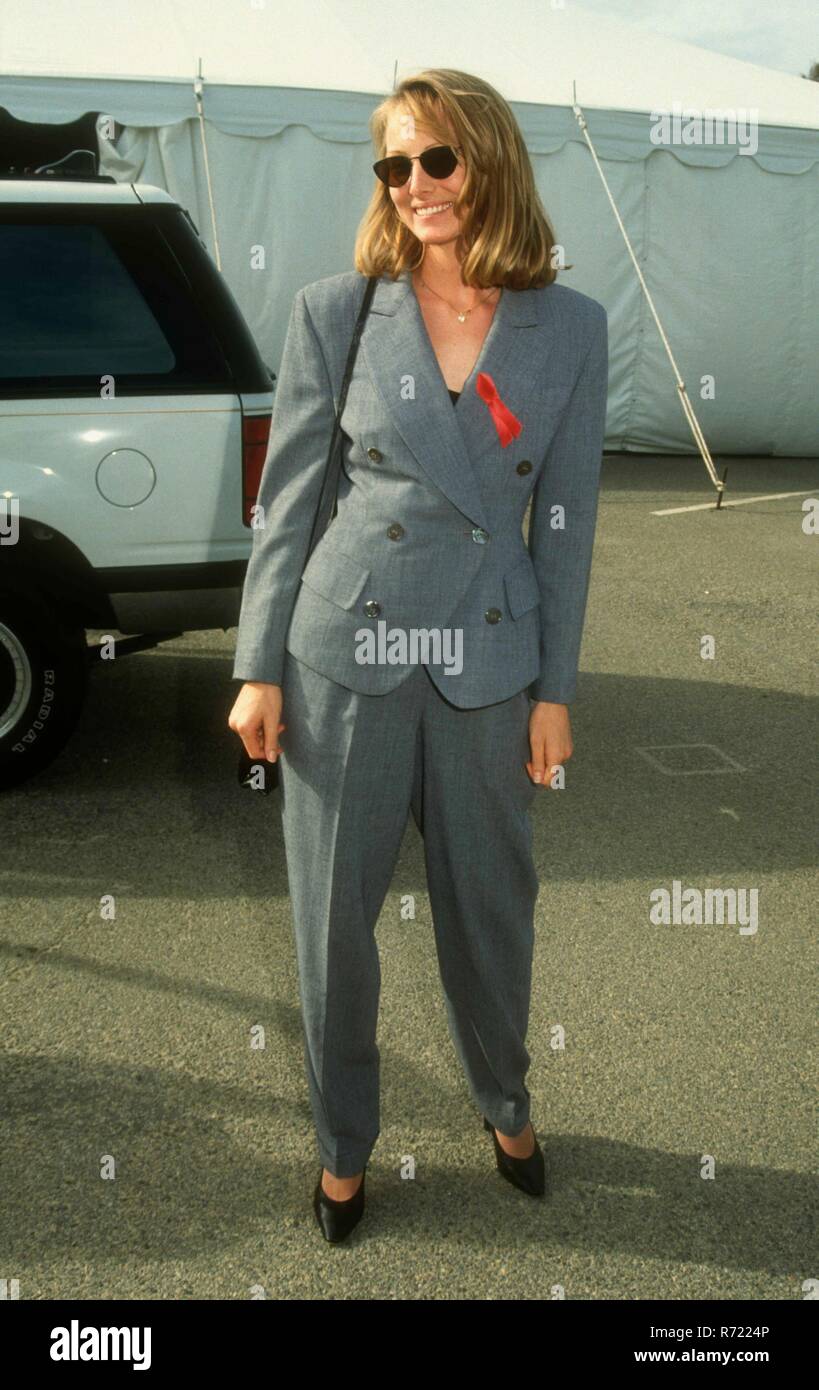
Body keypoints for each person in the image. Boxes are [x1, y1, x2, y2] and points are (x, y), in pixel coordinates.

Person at [228, 68, 608, 1244]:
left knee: (492, 911)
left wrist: (556, 691)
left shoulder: (571, 325)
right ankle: (344, 1147)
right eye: (395, 166)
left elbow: (568, 519)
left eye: (435, 159)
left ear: (486, 159)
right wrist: (257, 664)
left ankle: (506, 1102)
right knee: (332, 929)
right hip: (350, 649)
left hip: (490, 662)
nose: (415, 186)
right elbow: (289, 504)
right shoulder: (336, 312)